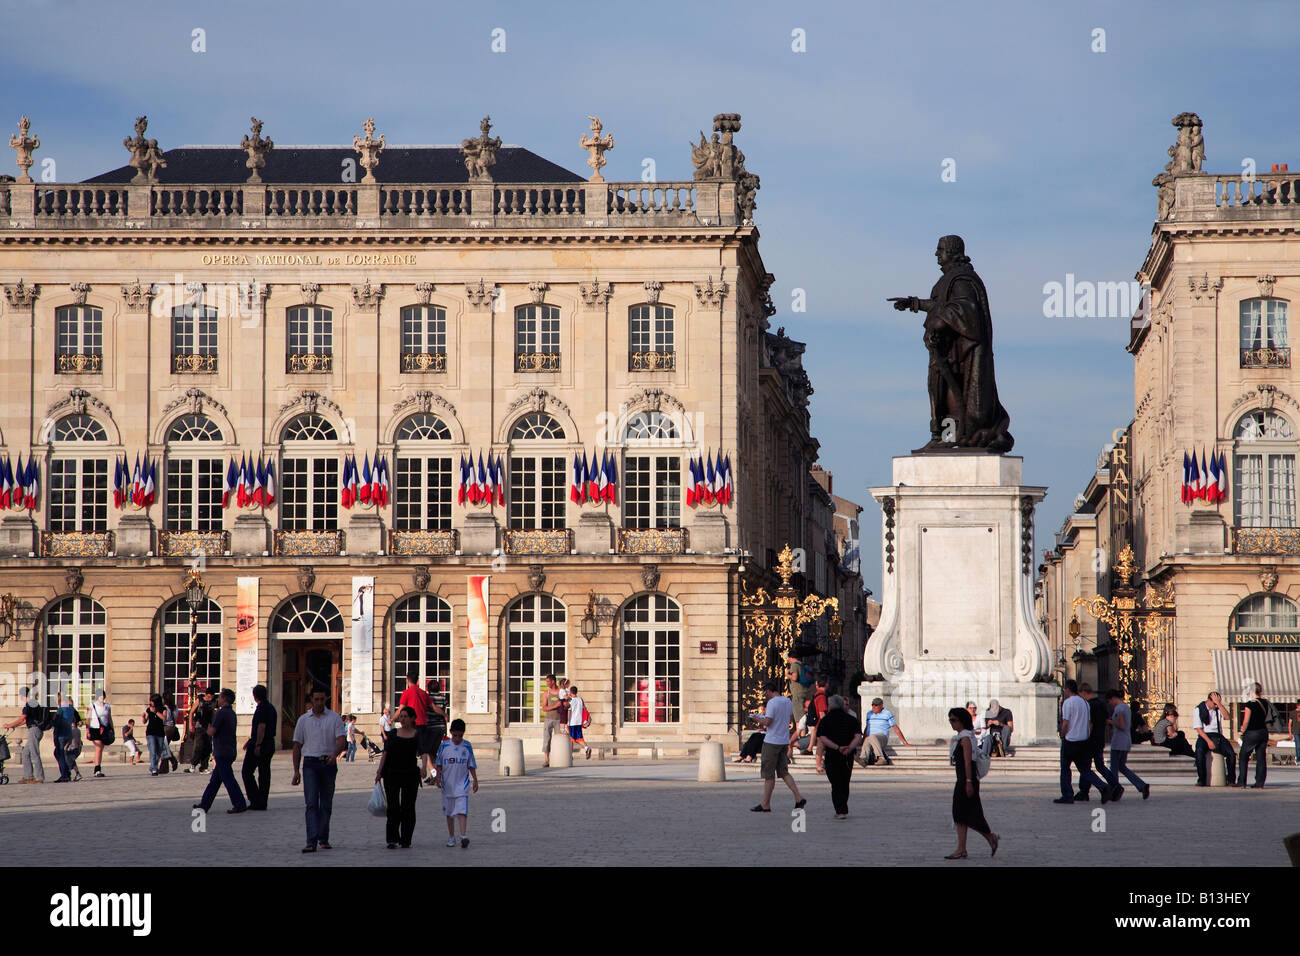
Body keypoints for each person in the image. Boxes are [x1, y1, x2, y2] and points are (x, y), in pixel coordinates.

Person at [291, 687, 347, 853]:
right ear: (311, 700)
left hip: (328, 764)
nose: (319, 703)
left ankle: (323, 837)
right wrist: (295, 771)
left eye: (322, 699)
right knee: (311, 803)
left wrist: (334, 754)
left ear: (326, 699)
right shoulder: (303, 720)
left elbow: (341, 740)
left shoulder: (334, 718)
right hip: (310, 764)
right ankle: (311, 840)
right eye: (316, 699)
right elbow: (297, 745)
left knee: (326, 804)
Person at [945, 707, 999, 859]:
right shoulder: (963, 737)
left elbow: (969, 762)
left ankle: (990, 837)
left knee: (969, 814)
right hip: (963, 779)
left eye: (954, 720)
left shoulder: (965, 739)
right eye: (950, 720)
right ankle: (961, 848)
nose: (951, 723)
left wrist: (968, 782)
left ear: (962, 721)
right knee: (960, 815)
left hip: (966, 780)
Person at [1055, 679, 1116, 804]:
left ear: (1067, 689)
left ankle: (1067, 795)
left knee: (1065, 768)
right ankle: (1103, 787)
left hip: (1070, 740)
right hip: (1082, 741)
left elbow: (1066, 722)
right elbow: (1089, 724)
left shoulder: (1068, 703)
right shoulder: (1085, 703)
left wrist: (1062, 734)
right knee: (1084, 769)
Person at [751, 678, 806, 812]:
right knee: (784, 772)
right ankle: (798, 797)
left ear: (769, 691)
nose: (765, 696)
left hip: (771, 741)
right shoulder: (787, 701)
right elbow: (790, 718)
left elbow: (767, 722)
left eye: (765, 693)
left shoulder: (772, 703)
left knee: (769, 774)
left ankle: (765, 804)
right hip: (783, 740)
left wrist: (756, 718)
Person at [192, 688, 247, 814]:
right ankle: (205, 804)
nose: (219, 699)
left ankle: (239, 803)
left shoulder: (221, 713)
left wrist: (205, 723)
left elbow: (211, 732)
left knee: (228, 780)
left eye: (221, 697)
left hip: (222, 750)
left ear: (225, 699)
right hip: (229, 749)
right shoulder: (231, 713)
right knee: (215, 781)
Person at [376, 705, 421, 848]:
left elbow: (424, 752)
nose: (402, 719)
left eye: (405, 716)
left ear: (413, 718)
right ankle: (392, 839)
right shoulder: (393, 733)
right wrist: (379, 771)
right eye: (401, 716)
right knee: (393, 808)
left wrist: (425, 768)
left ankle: (406, 839)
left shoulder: (417, 734)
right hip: (392, 774)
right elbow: (385, 753)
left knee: (408, 807)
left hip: (410, 774)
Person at [815, 695, 862, 819]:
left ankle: (840, 810)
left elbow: (822, 737)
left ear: (829, 706)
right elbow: (858, 736)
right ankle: (843, 806)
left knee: (835, 783)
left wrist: (837, 747)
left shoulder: (826, 720)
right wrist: (849, 748)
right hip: (847, 755)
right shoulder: (851, 719)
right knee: (845, 781)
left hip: (833, 754)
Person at [436, 718, 478, 848]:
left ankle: (463, 835)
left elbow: (471, 764)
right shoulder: (444, 746)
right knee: (449, 813)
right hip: (447, 785)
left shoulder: (467, 746)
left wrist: (475, 779)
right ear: (450, 733)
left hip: (462, 784)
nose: (457, 738)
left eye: (460, 735)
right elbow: (438, 764)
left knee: (462, 811)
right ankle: (451, 837)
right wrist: (437, 777)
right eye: (455, 735)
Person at [397, 669, 443, 783]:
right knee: (424, 751)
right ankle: (428, 770)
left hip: (413, 726)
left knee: (410, 750)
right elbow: (434, 707)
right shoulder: (423, 693)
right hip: (424, 725)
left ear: (407, 680)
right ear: (417, 681)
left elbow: (401, 708)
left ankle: (432, 772)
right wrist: (444, 714)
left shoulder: (406, 693)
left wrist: (392, 719)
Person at [1077, 683, 1120, 801]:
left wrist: (1085, 736)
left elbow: (1089, 723)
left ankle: (1084, 791)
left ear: (1084, 693)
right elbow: (1106, 720)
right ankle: (1116, 785)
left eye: (1081, 695)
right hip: (1100, 739)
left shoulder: (1089, 705)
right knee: (1100, 765)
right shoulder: (1102, 704)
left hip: (1090, 740)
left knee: (1085, 766)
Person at [1105, 689, 1150, 799]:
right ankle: (1141, 785)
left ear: (1113, 698)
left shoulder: (1119, 708)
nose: (1110, 703)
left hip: (1119, 741)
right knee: (1122, 766)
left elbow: (1121, 725)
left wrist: (1110, 722)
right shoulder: (1126, 707)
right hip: (1125, 740)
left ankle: (1115, 789)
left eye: (1109, 701)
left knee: (1114, 767)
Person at [241, 684, 277, 811]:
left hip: (261, 744)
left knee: (247, 771)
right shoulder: (271, 707)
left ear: (255, 696)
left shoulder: (262, 708)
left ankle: (256, 799)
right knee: (264, 773)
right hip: (269, 743)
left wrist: (257, 744)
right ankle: (262, 801)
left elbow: (261, 727)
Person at [2, 686, 46, 783]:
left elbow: (23, 718)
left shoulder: (29, 704)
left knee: (34, 754)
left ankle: (39, 778)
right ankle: (28, 776)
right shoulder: (34, 703)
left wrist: (9, 724)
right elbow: (27, 720)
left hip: (34, 730)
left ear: (22, 695)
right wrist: (15, 725)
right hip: (35, 729)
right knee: (26, 753)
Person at [1193, 691, 1237, 786]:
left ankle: (1231, 780)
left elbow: (1227, 717)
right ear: (1209, 701)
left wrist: (1219, 704)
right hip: (1205, 735)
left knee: (1231, 754)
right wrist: (1208, 741)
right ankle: (1202, 779)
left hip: (1217, 735)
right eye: (1214, 703)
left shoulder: (1218, 708)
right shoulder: (1199, 709)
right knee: (1199, 752)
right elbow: (1198, 729)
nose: (1216, 705)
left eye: (1217, 703)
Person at [1237, 682, 1271, 789]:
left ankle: (1242, 782)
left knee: (1243, 756)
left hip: (1252, 732)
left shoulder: (1249, 704)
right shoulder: (1265, 703)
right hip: (1263, 732)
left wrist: (1242, 731)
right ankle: (1259, 783)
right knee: (1261, 758)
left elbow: (1246, 721)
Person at [863, 697, 909, 765]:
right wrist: (862, 740)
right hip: (871, 739)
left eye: (876, 705)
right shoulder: (869, 714)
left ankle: (881, 758)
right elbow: (867, 727)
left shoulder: (887, 713)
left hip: (882, 738)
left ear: (881, 705)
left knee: (872, 736)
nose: (874, 707)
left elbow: (896, 728)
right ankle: (863, 759)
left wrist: (905, 743)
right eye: (873, 705)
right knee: (868, 738)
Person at [186, 687, 215, 774]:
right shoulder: (200, 700)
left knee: (207, 747)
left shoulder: (214, 702)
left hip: (209, 726)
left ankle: (204, 767)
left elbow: (215, 713)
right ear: (206, 695)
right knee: (198, 746)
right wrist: (190, 724)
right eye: (209, 697)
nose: (210, 699)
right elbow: (191, 712)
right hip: (199, 725)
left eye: (212, 697)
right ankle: (193, 765)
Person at [52, 693, 79, 783]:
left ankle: (65, 775)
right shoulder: (71, 709)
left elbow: (57, 723)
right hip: (69, 733)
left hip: (61, 734)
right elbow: (74, 719)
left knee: (60, 754)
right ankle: (66, 773)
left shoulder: (61, 710)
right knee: (59, 753)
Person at [86, 692, 113, 777]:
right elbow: (88, 718)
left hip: (104, 729)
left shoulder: (107, 706)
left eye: (103, 695)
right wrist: (87, 730)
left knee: (100, 749)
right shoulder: (92, 705)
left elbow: (109, 718)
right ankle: (97, 769)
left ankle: (98, 767)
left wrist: (112, 728)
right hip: (94, 728)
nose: (102, 697)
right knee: (99, 747)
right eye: (100, 695)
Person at [143, 695, 167, 776]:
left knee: (158, 752)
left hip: (160, 733)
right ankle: (154, 769)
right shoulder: (148, 709)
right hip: (150, 732)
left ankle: (153, 766)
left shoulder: (163, 709)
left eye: (152, 701)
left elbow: (164, 718)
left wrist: (156, 712)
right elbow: (145, 721)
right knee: (153, 750)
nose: (150, 703)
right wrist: (143, 718)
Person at [567, 684, 592, 759]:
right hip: (579, 721)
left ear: (571, 692)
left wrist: (567, 722)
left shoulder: (570, 700)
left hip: (572, 722)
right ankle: (586, 748)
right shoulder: (580, 699)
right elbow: (584, 709)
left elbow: (569, 711)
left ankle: (570, 755)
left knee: (571, 739)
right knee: (579, 738)